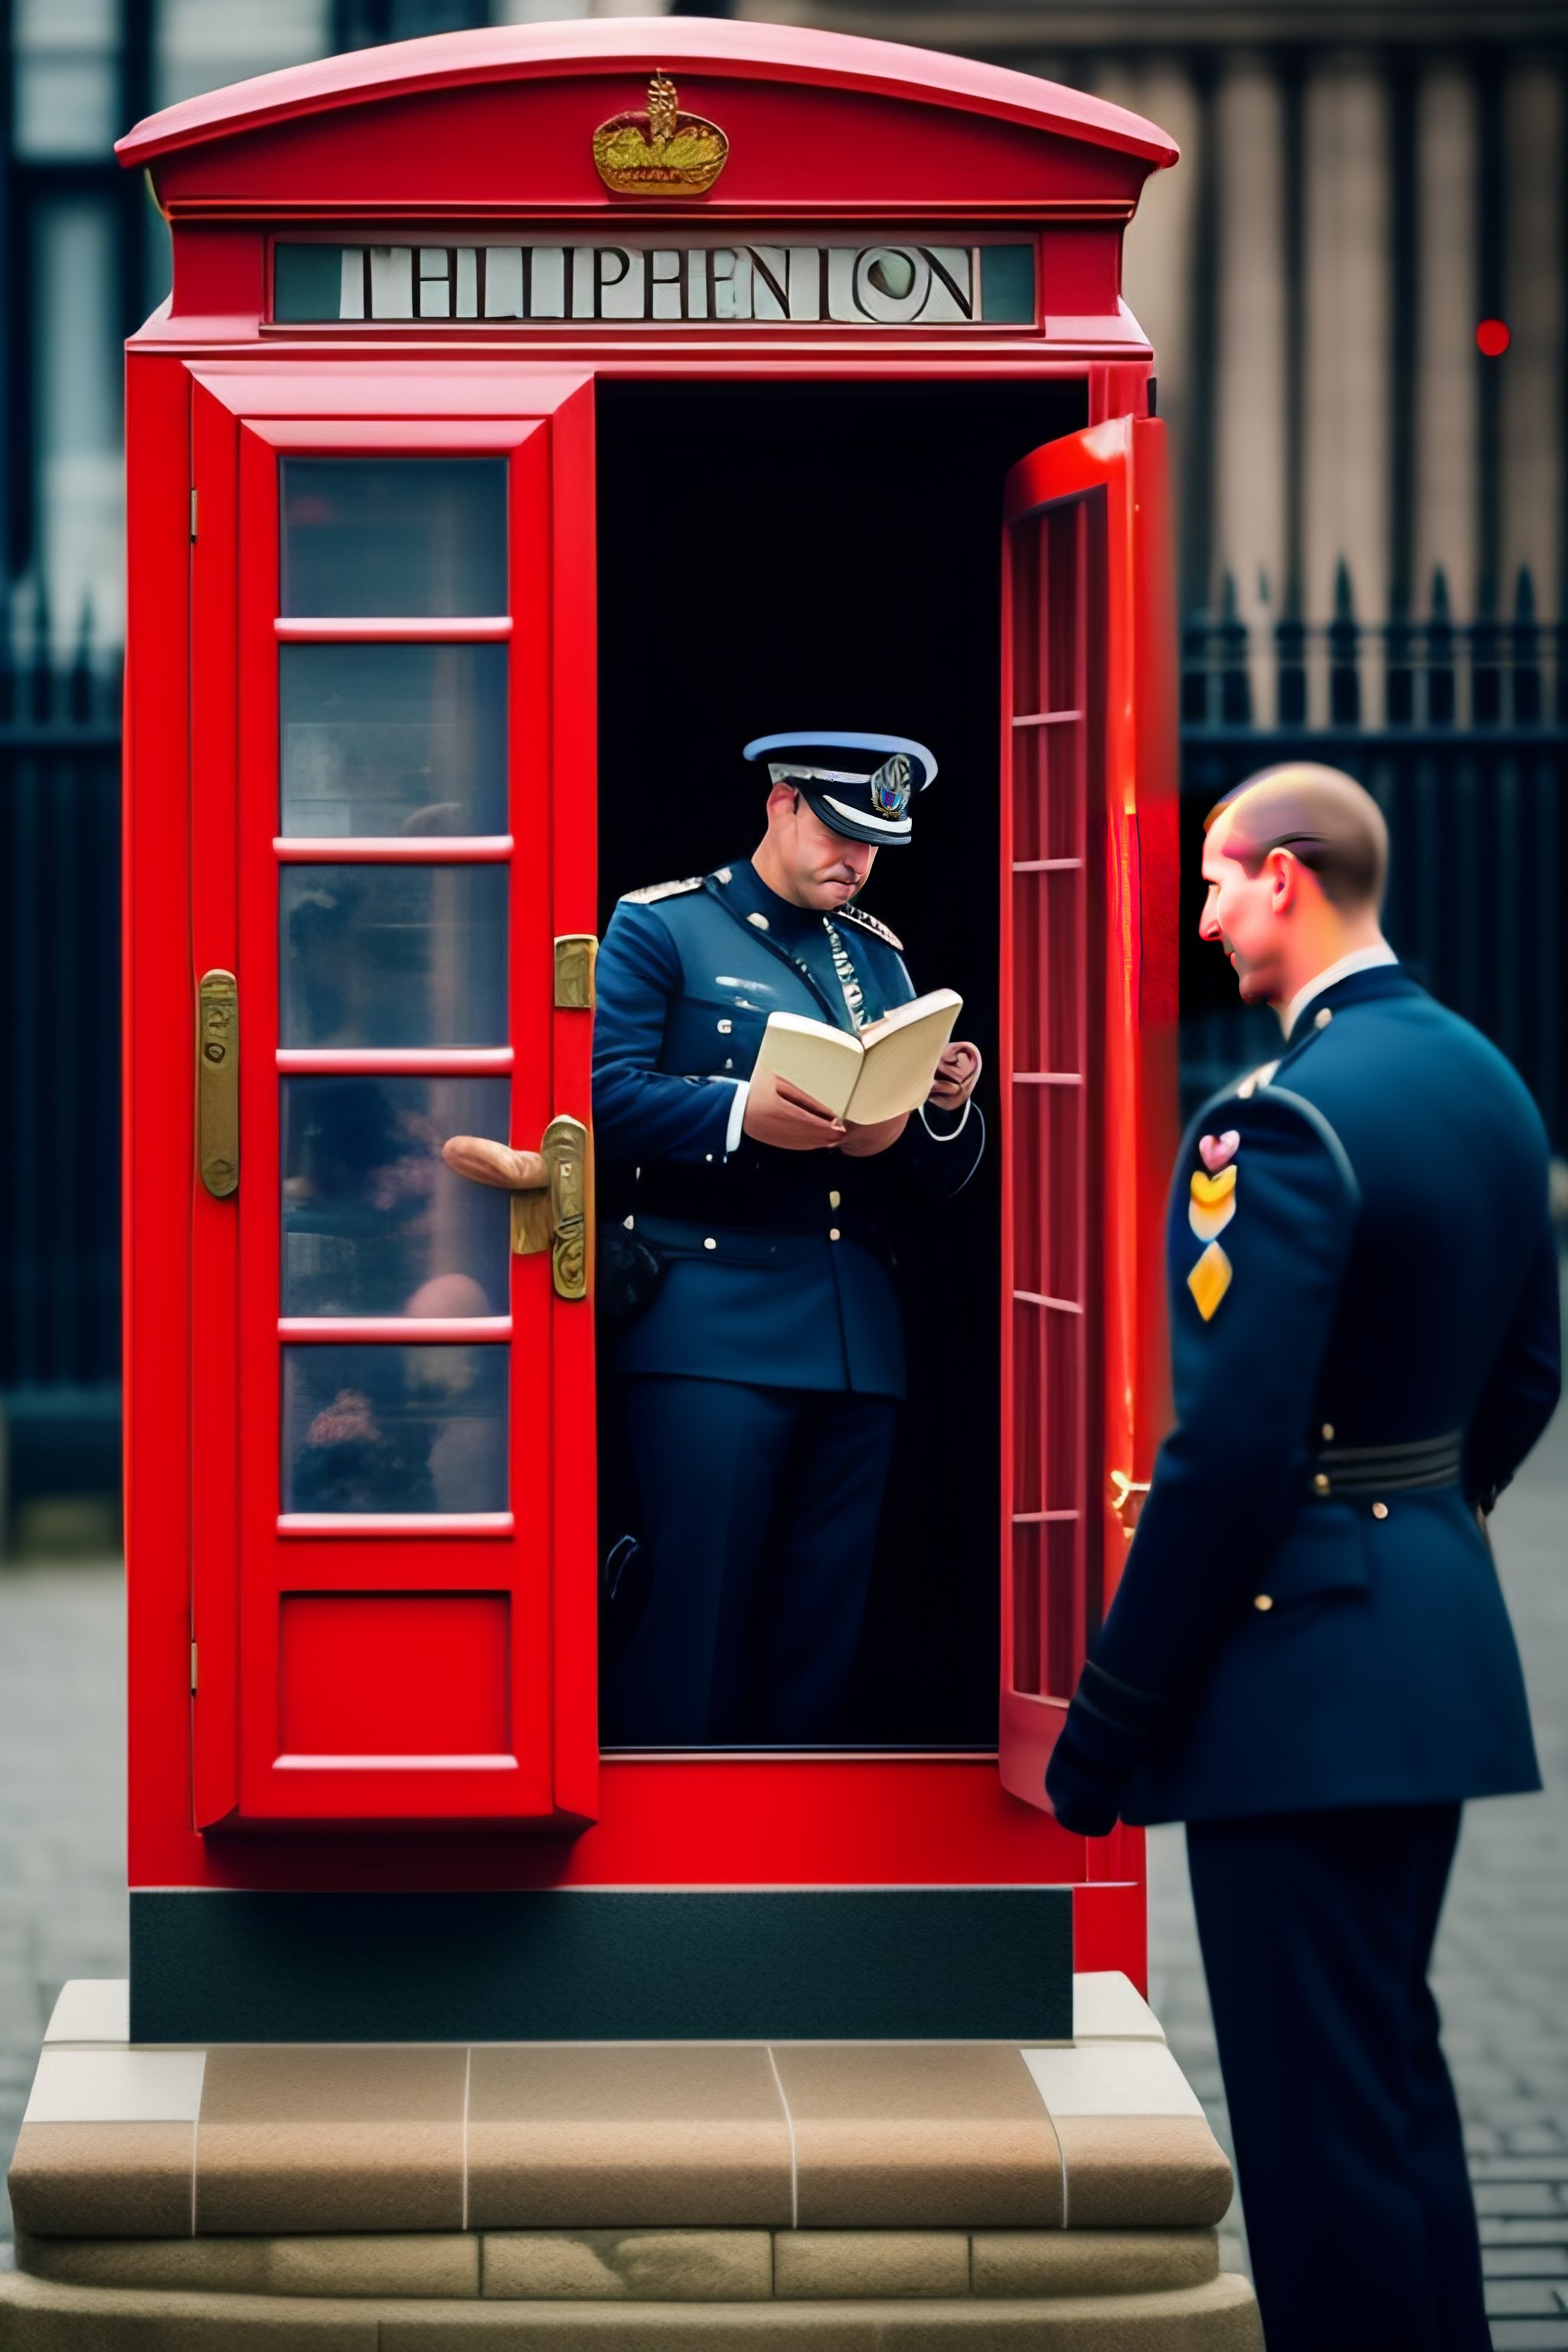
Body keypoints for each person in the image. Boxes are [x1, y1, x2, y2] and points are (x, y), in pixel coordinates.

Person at [1046, 762, 1560, 2351]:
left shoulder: (1270, 1122)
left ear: (1286, 876)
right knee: (1392, 2094)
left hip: (1296, 1689)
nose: (1199, 917)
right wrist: (1411, 1522)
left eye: (1213, 881)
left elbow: (1230, 1456)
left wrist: (1110, 1717)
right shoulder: (1486, 1080)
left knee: (1311, 2135)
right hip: (1432, 1657)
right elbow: (1529, 1374)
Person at [580, 730, 985, 1745]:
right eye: (841, 832)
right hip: (707, 1323)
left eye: (875, 845)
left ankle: (796, 1869)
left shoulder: (878, 957)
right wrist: (736, 1113)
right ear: (781, 805)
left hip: (853, 1330)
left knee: (823, 1632)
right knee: (694, 1620)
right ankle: (675, 1874)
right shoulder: (664, 926)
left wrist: (944, 1106)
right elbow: (593, 1095)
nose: (856, 861)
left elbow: (937, 1177)